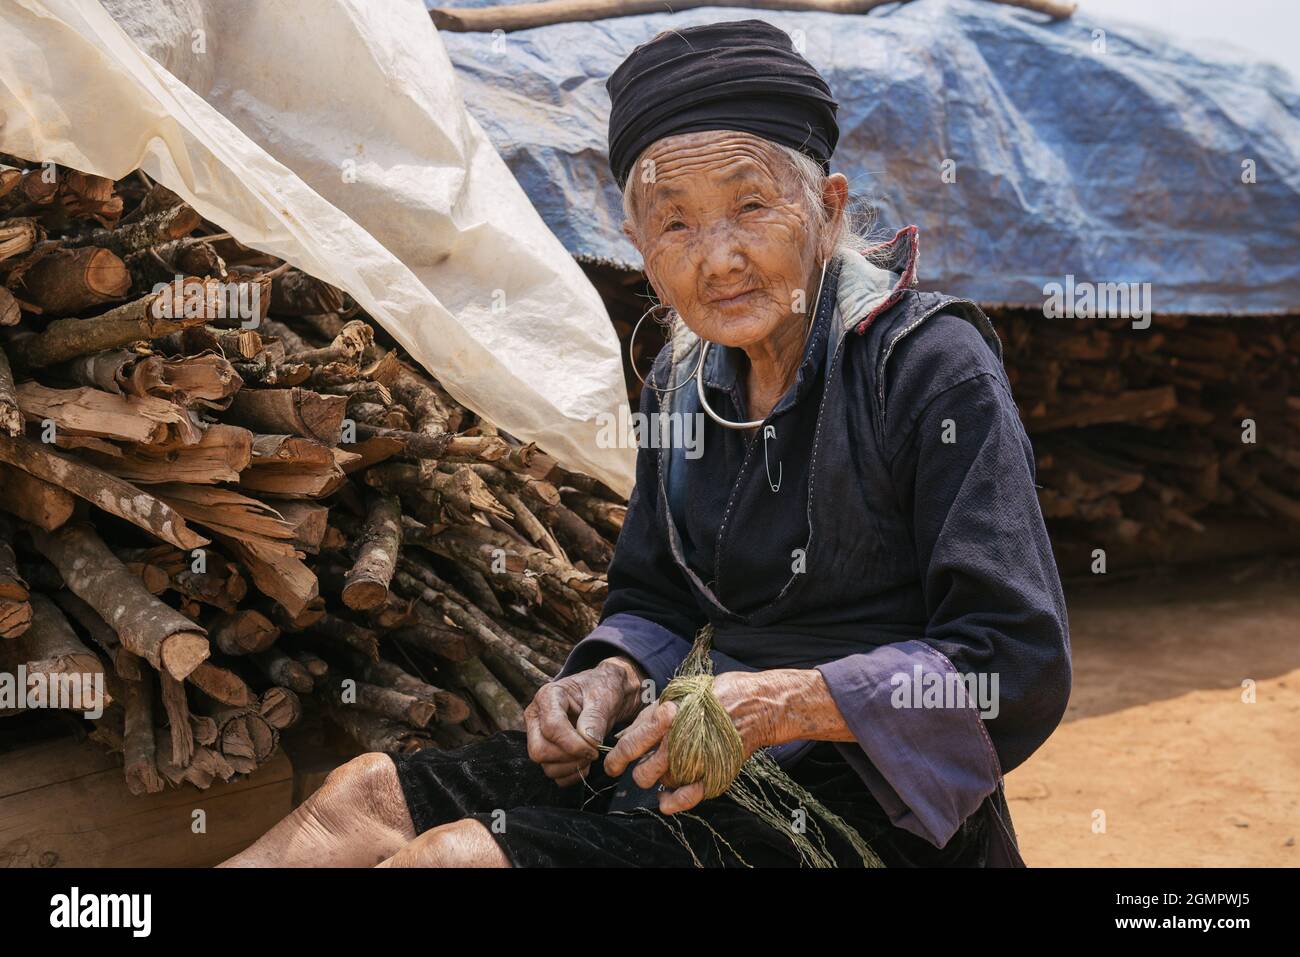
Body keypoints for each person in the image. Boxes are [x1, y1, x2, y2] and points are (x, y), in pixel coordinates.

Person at [224, 18, 1070, 868]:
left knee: (459, 861)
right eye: (676, 224)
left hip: (880, 795)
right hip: (685, 747)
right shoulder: (682, 377)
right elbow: (656, 598)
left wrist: (790, 702)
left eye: (751, 206)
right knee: (359, 802)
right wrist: (611, 675)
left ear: (827, 209)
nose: (720, 259)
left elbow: (1014, 660)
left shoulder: (928, 366)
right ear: (638, 247)